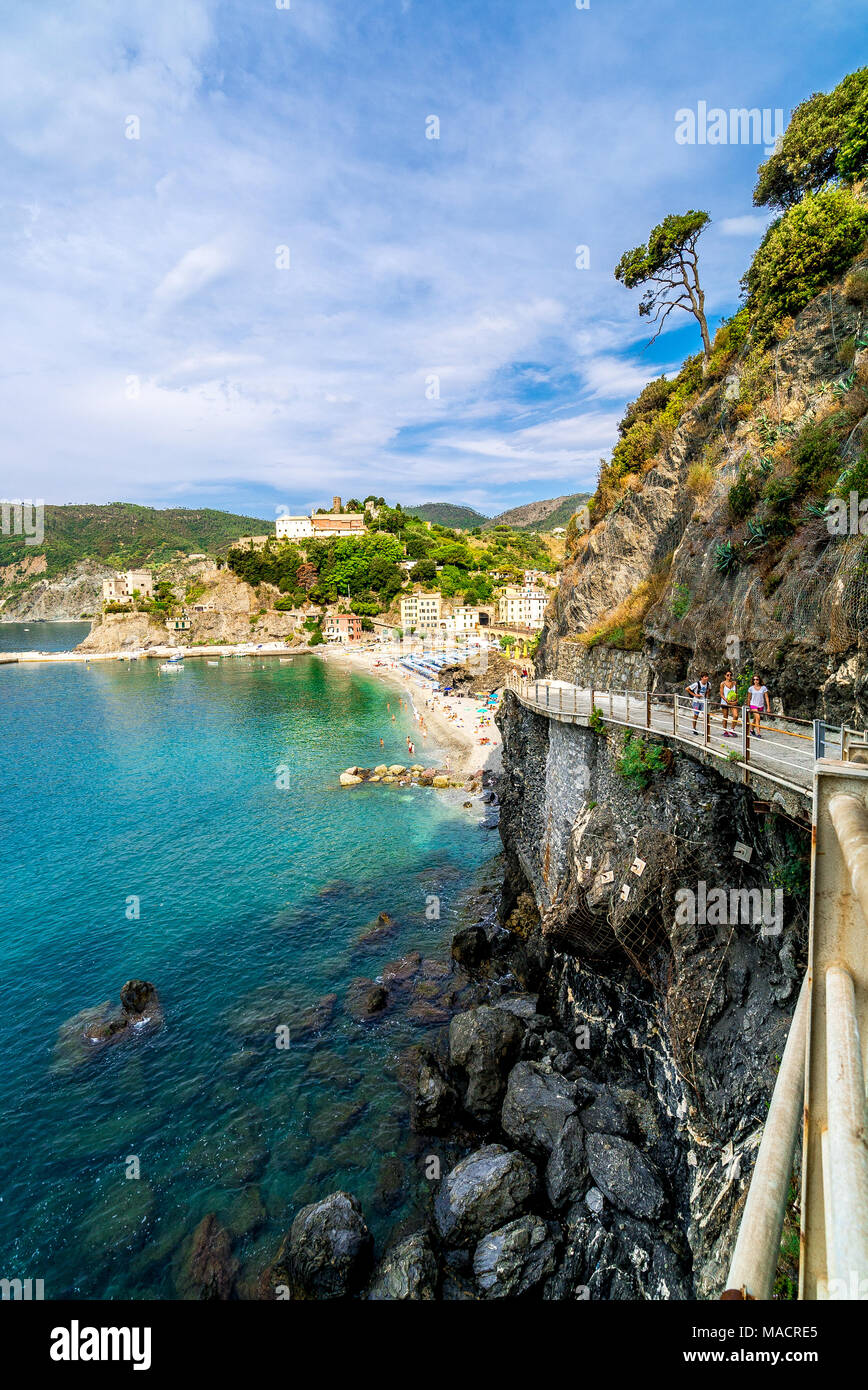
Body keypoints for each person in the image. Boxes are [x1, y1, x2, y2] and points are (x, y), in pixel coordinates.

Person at [719, 670, 739, 737]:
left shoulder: (734, 683)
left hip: (733, 702)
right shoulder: (722, 684)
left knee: (736, 715)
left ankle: (732, 729)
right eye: (727, 675)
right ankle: (725, 730)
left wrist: (737, 700)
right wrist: (726, 700)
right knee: (725, 716)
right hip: (725, 702)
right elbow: (721, 694)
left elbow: (736, 692)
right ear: (725, 676)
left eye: (730, 675)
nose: (729, 676)